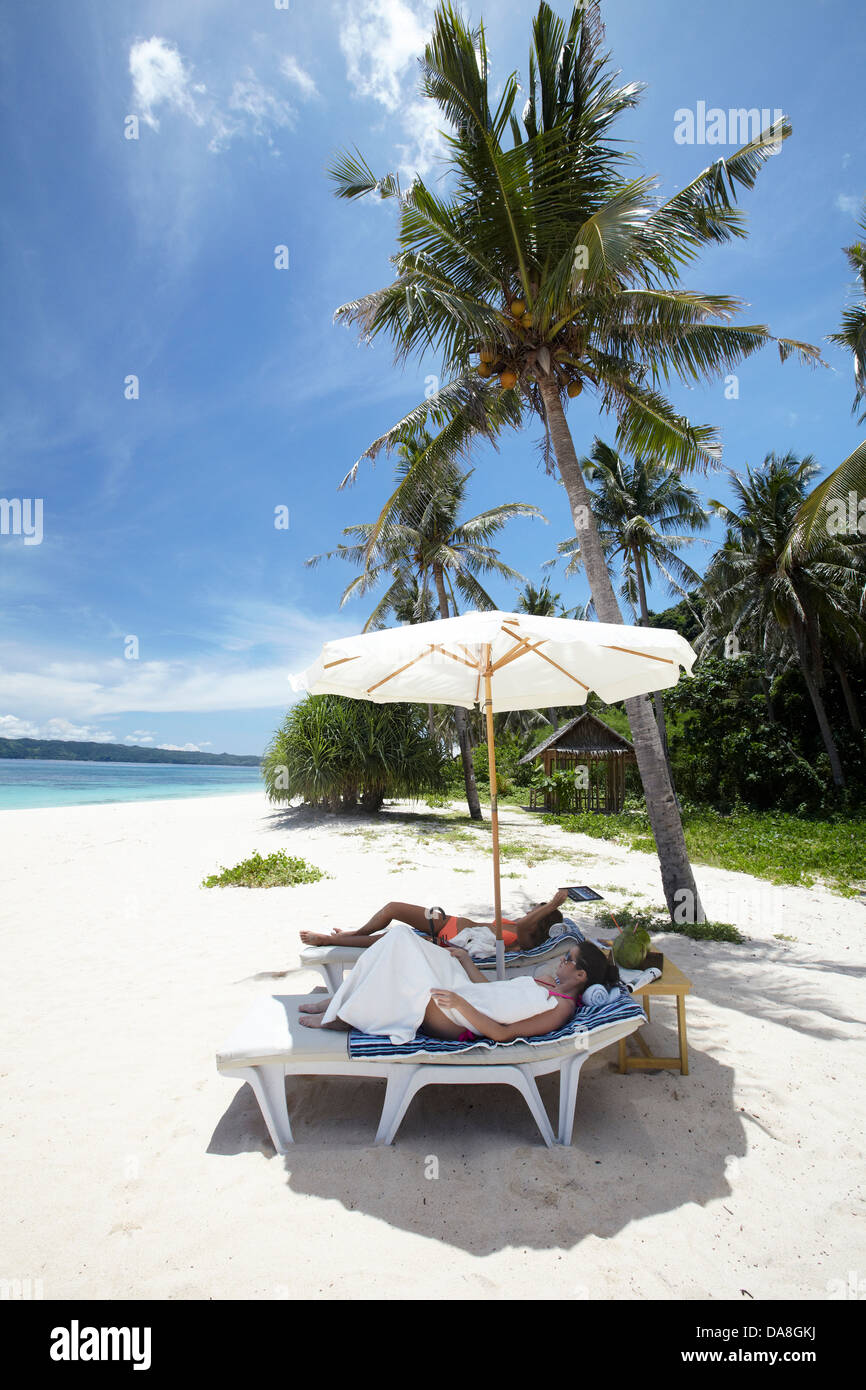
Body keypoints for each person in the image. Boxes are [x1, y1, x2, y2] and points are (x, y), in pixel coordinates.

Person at [298, 921, 620, 1045]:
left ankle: (340, 1014)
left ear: (580, 976)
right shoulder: (546, 983)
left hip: (458, 1018)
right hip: (467, 996)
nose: (561, 961)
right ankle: (342, 1000)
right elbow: (490, 991)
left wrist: (461, 1005)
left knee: (403, 965)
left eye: (568, 959)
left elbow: (504, 1033)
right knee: (401, 936)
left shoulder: (560, 1008)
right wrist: (465, 961)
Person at [299, 889, 569, 952]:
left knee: (390, 938)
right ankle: (351, 932)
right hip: (445, 920)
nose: (532, 909)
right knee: (393, 908)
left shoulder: (524, 937)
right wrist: (546, 907)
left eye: (537, 911)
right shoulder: (519, 924)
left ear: (539, 923)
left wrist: (554, 905)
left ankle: (330, 940)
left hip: (446, 938)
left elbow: (524, 926)